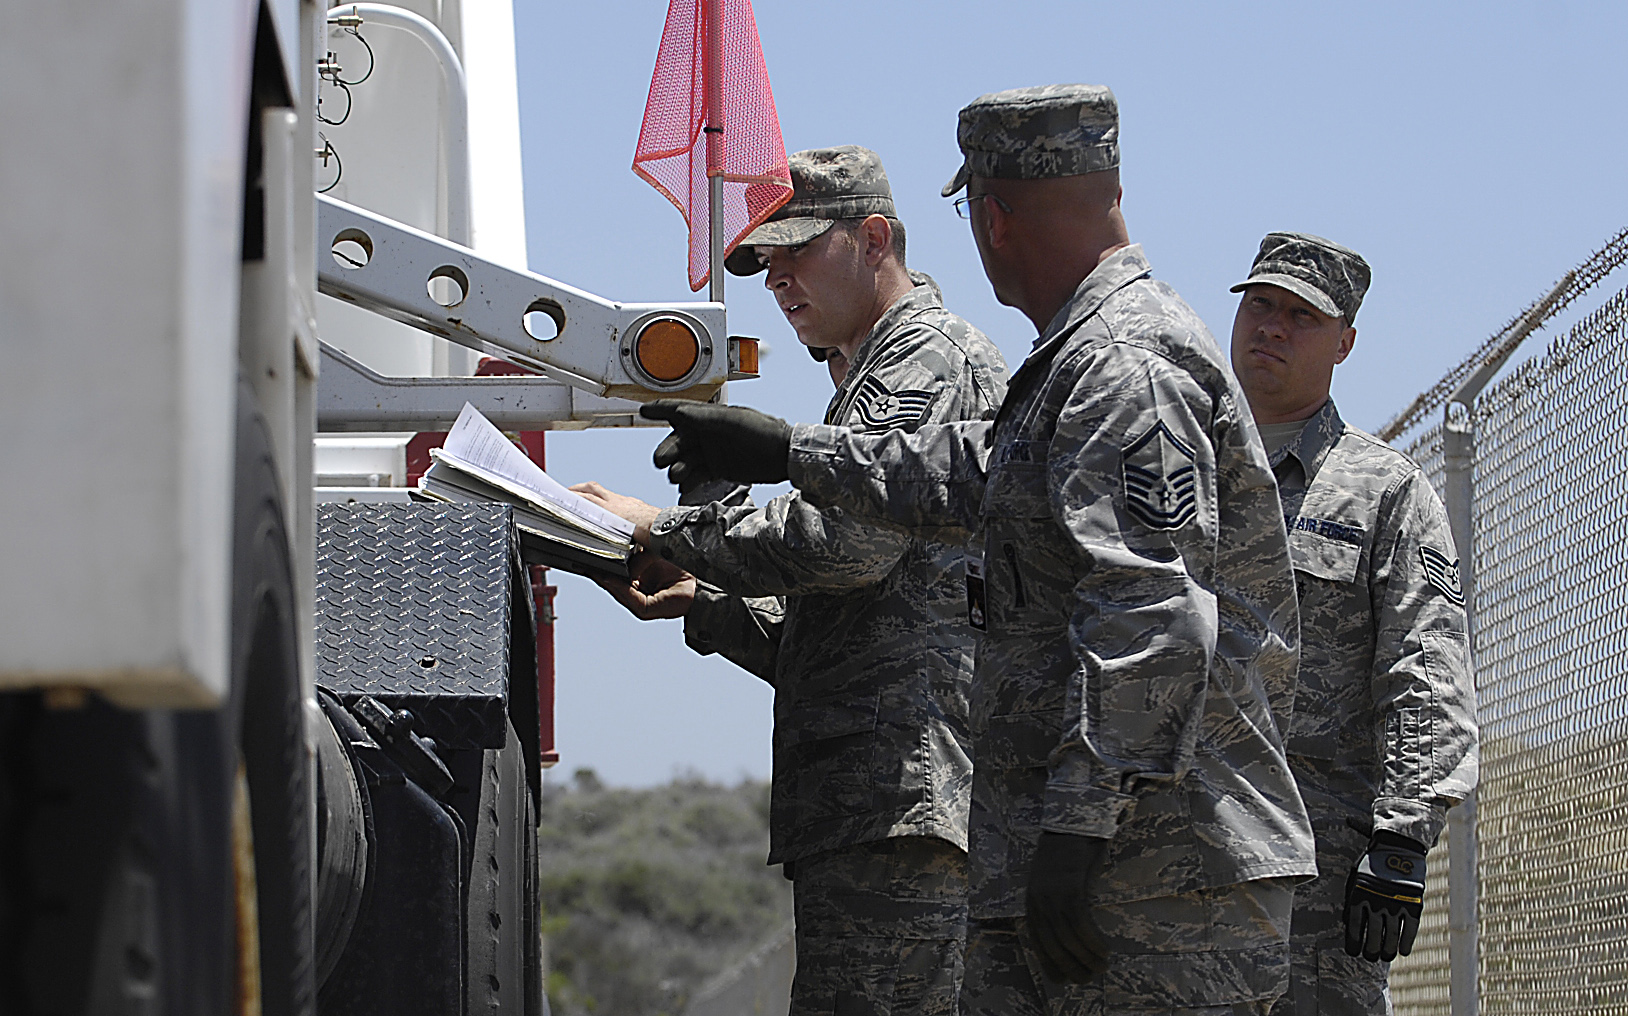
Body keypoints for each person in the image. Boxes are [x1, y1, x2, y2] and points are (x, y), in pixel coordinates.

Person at [635, 84, 1317, 1015]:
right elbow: (962, 470)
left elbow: (1151, 611)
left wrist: (1076, 826)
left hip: (1155, 866)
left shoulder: (1122, 360)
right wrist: (785, 449)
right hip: (1089, 848)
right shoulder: (1073, 361)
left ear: (992, 217)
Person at [573, 145, 1009, 1016]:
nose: (777, 280)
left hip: (909, 800)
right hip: (880, 801)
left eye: (797, 251)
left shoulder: (919, 359)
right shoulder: (871, 375)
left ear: (875, 237)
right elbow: (850, 621)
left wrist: (666, 528)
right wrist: (705, 596)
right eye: (765, 262)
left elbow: (846, 546)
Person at [1226, 233, 1479, 1015]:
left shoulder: (1382, 493)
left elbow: (1425, 671)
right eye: (1260, 304)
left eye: (1301, 316)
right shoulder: (1181, 467)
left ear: (1345, 343)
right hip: (1171, 857)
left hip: (1312, 873)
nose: (1272, 326)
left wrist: (1400, 841)